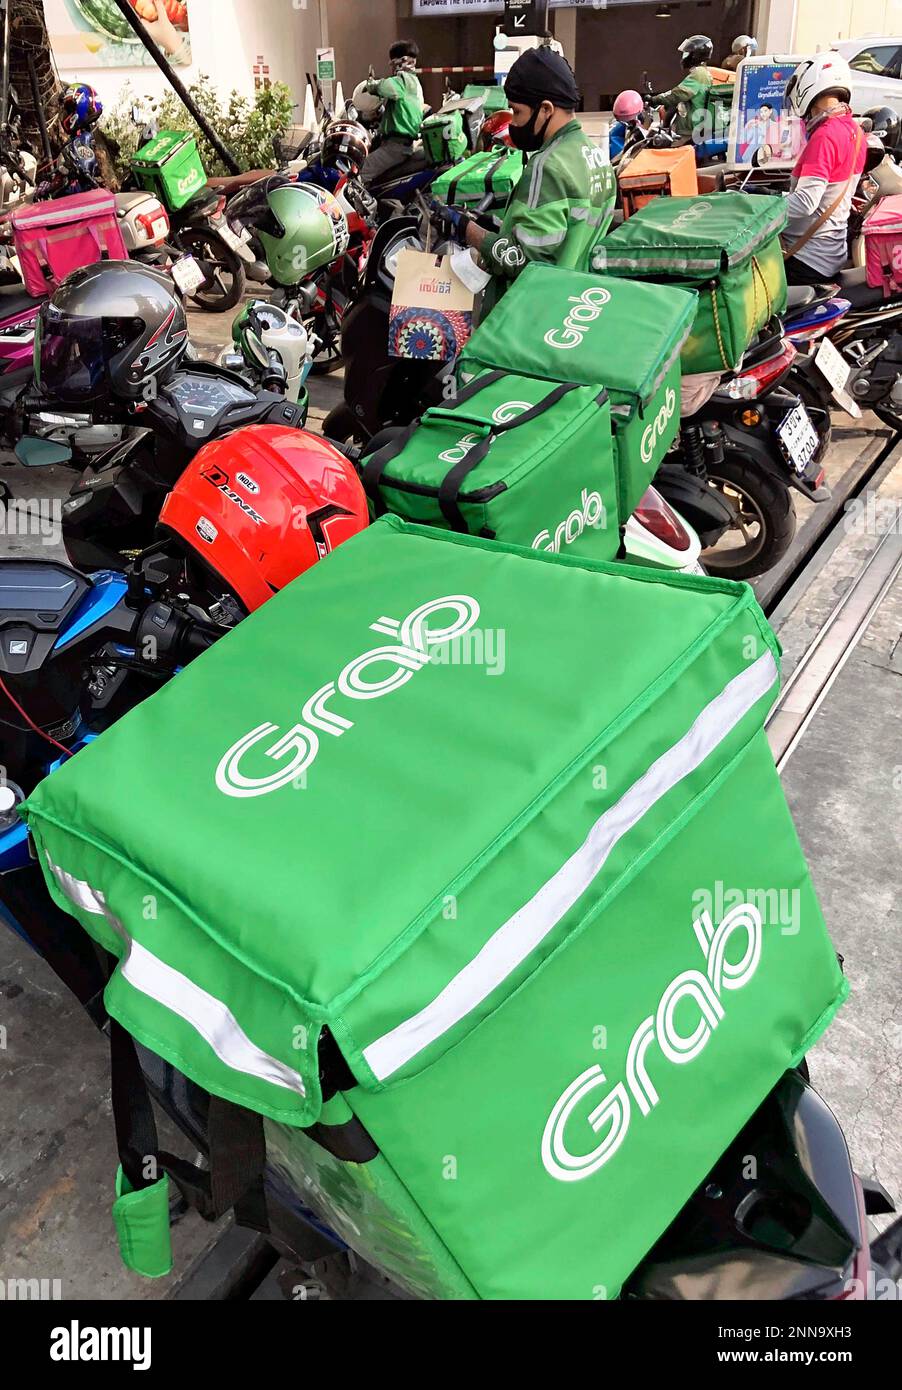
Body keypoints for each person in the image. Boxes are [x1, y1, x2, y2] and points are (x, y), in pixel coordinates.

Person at [435, 46, 615, 314]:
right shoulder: (597, 158)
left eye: (517, 112)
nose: (513, 123)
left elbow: (523, 261)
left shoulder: (548, 165)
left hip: (532, 316)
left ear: (545, 109)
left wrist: (464, 227)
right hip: (574, 304)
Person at [782, 52, 866, 284]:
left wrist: (762, 208)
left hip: (807, 258)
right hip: (833, 251)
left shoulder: (825, 135)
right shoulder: (855, 132)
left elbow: (806, 202)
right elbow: (829, 195)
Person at [360, 40, 425, 188]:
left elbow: (386, 88)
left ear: (401, 61)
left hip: (395, 147)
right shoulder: (414, 82)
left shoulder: (403, 80)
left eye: (392, 62)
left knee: (360, 174)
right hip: (401, 145)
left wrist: (370, 84)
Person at [653, 34, 714, 139]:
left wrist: (654, 99)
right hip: (695, 125)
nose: (684, 56)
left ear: (695, 55)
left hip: (691, 128)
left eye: (687, 53)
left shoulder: (699, 74)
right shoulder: (702, 72)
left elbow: (678, 94)